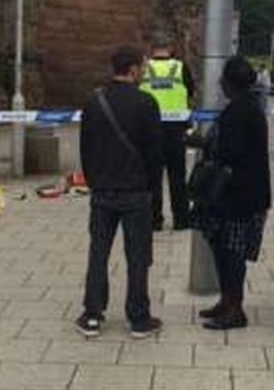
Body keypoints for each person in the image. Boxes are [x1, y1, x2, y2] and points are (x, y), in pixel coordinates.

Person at [76, 45, 164, 339]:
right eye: (142, 67)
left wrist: (93, 180)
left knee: (98, 252)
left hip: (102, 190)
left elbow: (85, 148)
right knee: (138, 256)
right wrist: (153, 191)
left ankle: (92, 314)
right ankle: (138, 317)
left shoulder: (93, 102)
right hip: (136, 192)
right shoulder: (147, 103)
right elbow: (154, 154)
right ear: (134, 69)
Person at [194, 56, 271, 331]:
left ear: (229, 82)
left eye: (222, 79)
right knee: (222, 249)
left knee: (232, 252)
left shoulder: (242, 110)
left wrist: (208, 148)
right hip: (238, 193)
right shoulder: (246, 106)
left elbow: (231, 151)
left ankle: (235, 308)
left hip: (240, 196)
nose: (220, 84)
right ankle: (226, 300)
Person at [139, 35, 196, 231]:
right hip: (176, 129)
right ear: (170, 48)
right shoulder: (180, 67)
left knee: (152, 176)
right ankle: (181, 219)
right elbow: (190, 92)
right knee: (177, 176)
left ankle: (154, 220)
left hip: (150, 129)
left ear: (151, 48)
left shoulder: (144, 68)